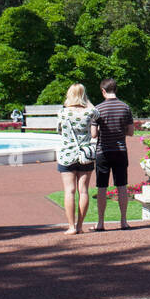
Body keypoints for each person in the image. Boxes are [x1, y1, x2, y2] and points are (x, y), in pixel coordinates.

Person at [90, 78, 135, 231]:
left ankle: (101, 223)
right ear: (115, 89)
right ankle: (123, 221)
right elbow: (131, 132)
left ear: (103, 91)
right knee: (122, 186)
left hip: (103, 151)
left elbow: (94, 134)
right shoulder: (125, 107)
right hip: (120, 150)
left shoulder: (98, 109)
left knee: (102, 187)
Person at [56, 84, 96, 235]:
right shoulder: (91, 111)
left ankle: (71, 226)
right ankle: (80, 225)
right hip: (85, 154)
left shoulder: (63, 113)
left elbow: (60, 131)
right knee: (83, 190)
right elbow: (95, 128)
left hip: (67, 154)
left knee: (69, 191)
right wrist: (88, 102)